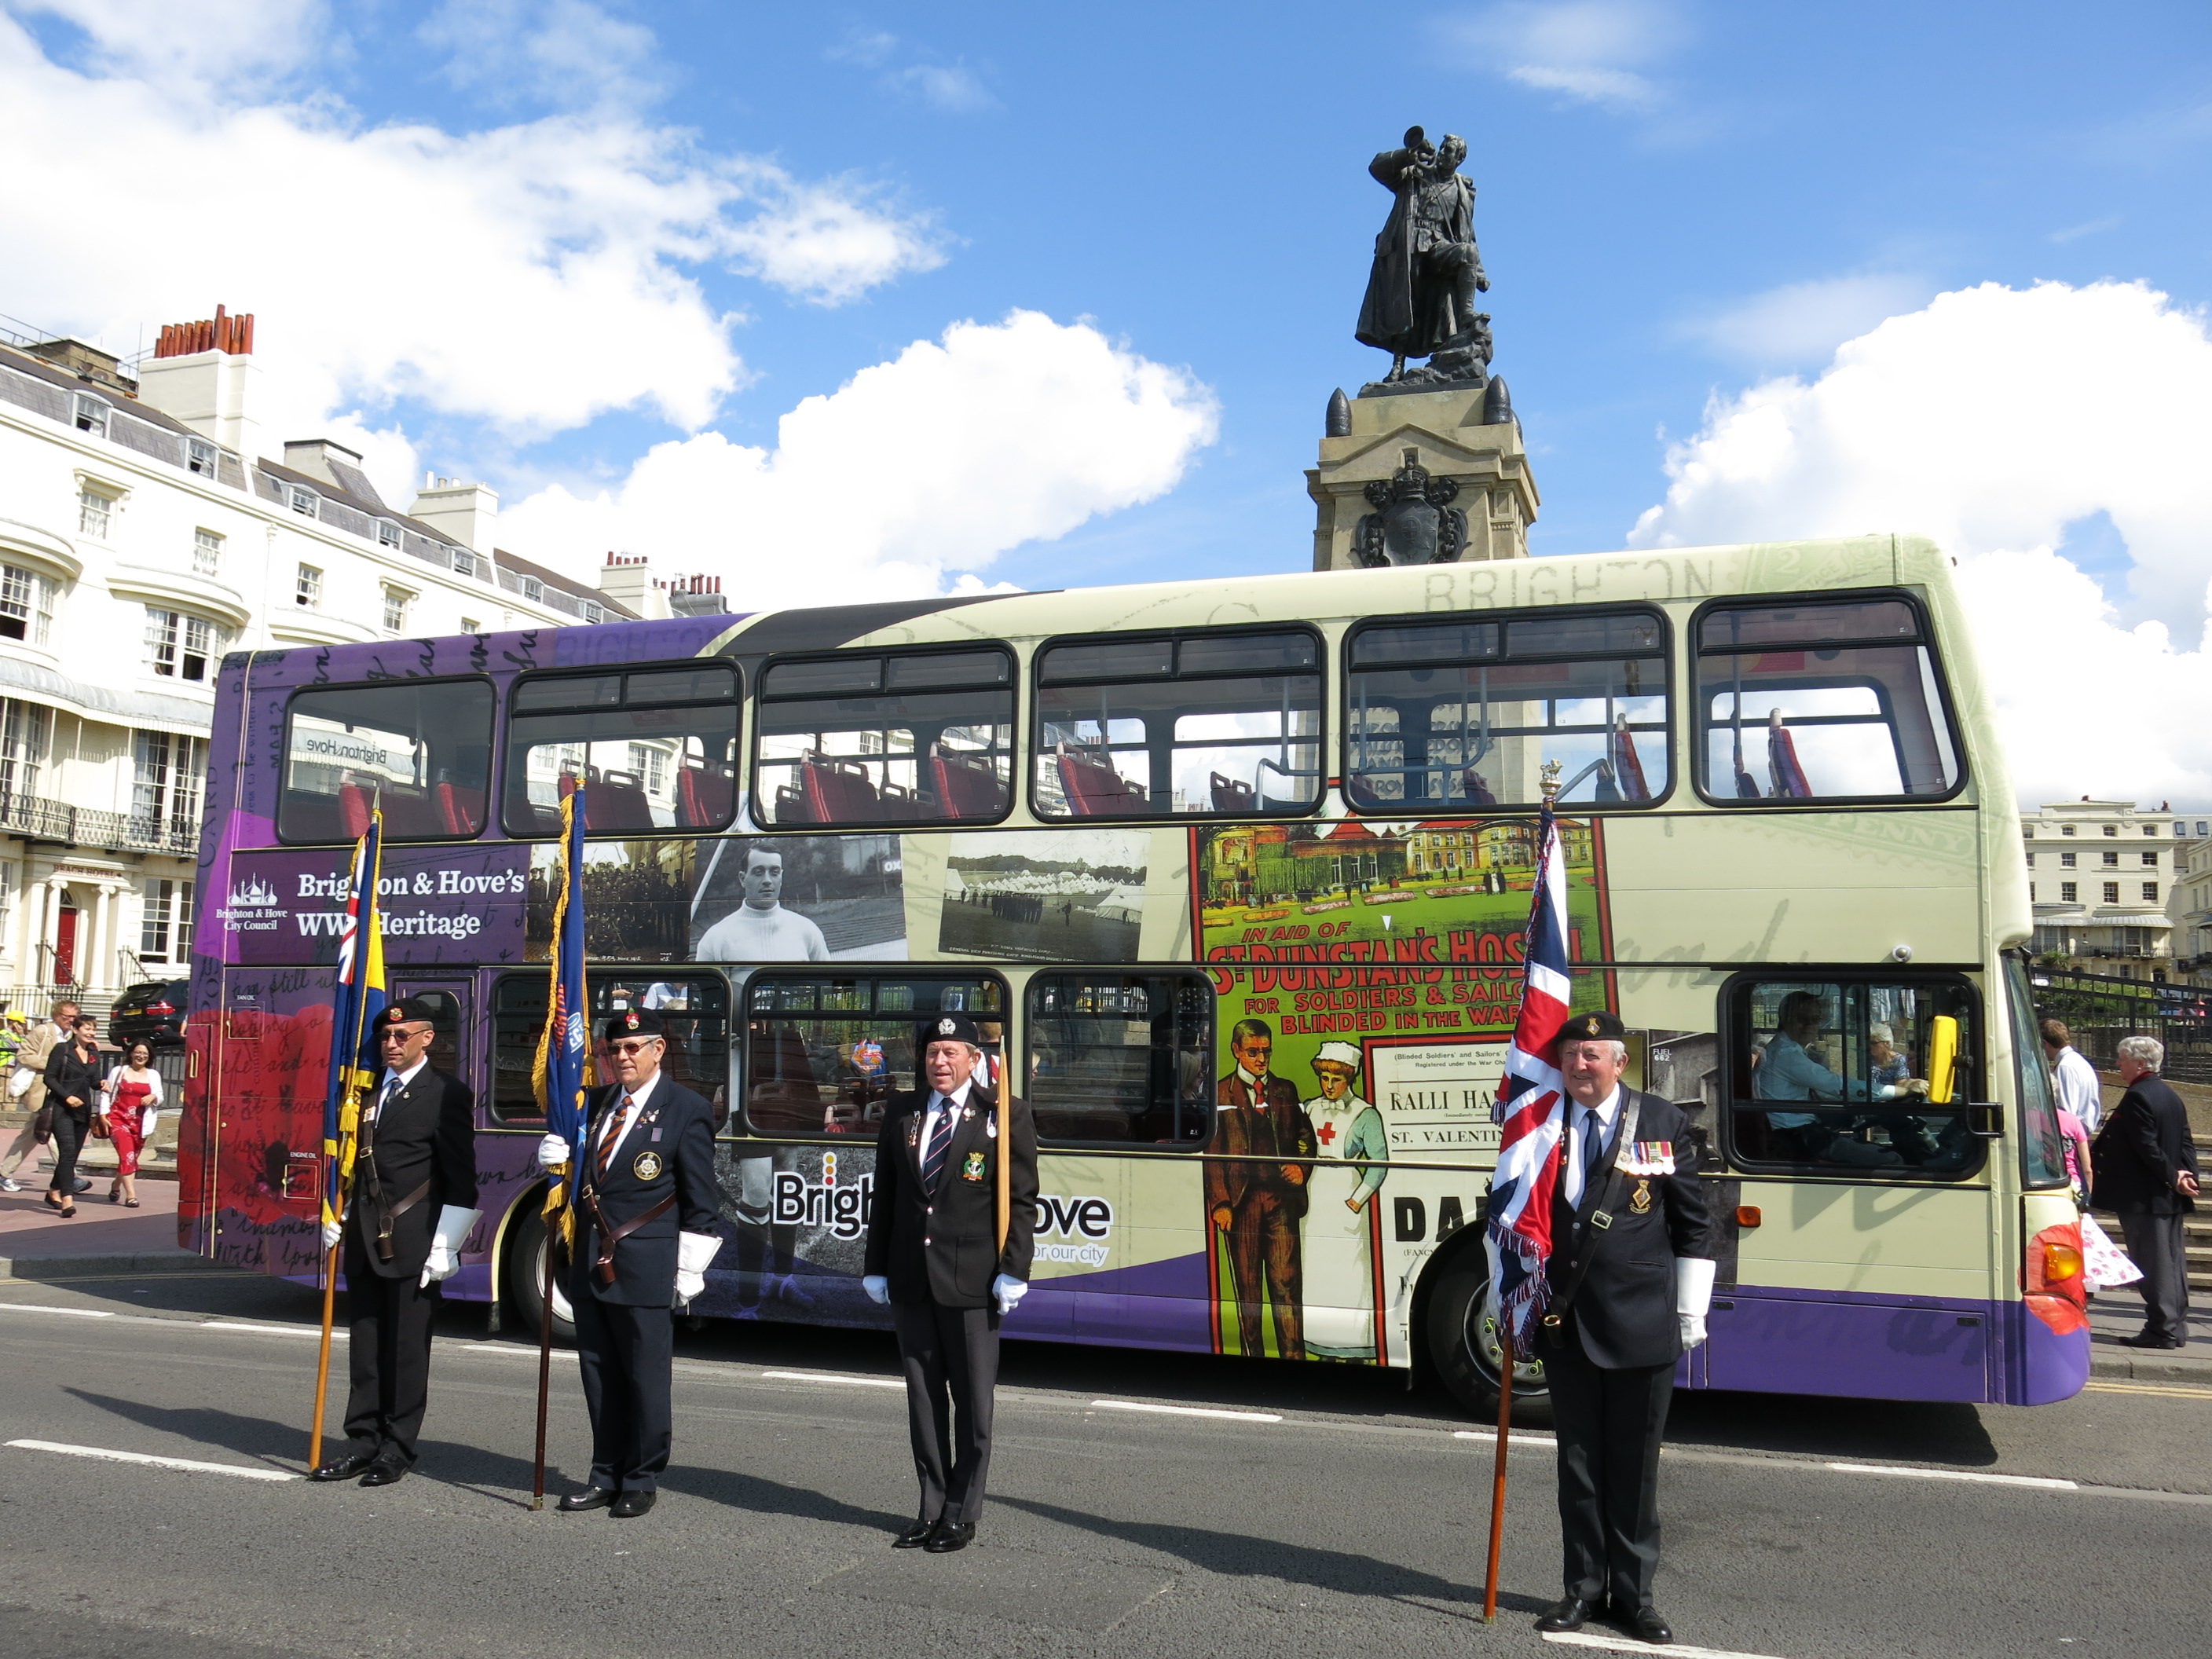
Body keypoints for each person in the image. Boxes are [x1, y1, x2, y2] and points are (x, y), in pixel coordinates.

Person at [1533, 1010, 1716, 1646]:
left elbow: (1695, 1223)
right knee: (1578, 1468)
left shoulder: (1661, 1122)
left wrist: (1690, 1311)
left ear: (1619, 1062)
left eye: (1591, 1055)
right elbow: (1514, 1214)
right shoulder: (1538, 1123)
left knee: (1635, 1469)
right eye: (1570, 1055)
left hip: (1642, 1318)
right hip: (1567, 1319)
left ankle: (1635, 1599)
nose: (1578, 1065)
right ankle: (1582, 1590)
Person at [862, 1013, 1039, 1554]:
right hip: (912, 1281)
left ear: (972, 1059)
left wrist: (1014, 1269)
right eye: (932, 1052)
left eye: (951, 1052)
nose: (939, 1061)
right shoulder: (903, 1112)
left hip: (972, 1282)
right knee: (923, 1402)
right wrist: (875, 1265)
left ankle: (962, 1512)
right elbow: (888, 1197)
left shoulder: (1004, 1115)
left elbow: (1022, 1202)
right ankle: (931, 1507)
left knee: (972, 1404)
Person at [541, 1008, 720, 1518]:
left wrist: (689, 1270)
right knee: (598, 1373)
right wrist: (555, 1158)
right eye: (613, 1049)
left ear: (658, 1050)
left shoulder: (684, 1108)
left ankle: (640, 1478)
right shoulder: (594, 1104)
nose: (621, 1057)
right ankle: (604, 1474)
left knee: (645, 1377)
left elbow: (701, 1199)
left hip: (647, 1262)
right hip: (592, 1262)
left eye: (632, 1048)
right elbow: (579, 1175)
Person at [308, 999, 480, 1487]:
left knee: (406, 1350)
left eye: (402, 1036)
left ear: (427, 1038)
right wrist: (336, 1210)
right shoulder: (363, 1091)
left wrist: (447, 1244)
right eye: (386, 1035)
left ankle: (397, 1448)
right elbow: (353, 1164)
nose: (391, 1043)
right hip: (364, 1237)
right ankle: (361, 1442)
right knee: (364, 1348)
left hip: (414, 1240)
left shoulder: (446, 1094)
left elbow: (461, 1179)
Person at [1207, 1020, 1317, 1361]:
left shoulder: (1286, 1090)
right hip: (1241, 1205)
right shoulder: (1220, 1092)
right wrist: (1220, 1203)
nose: (1261, 1059)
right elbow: (1212, 1155)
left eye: (1266, 1052)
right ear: (1237, 1051)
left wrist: (1301, 1167)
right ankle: (1252, 1357)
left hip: (1281, 1201)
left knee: (1287, 1285)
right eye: (1253, 1052)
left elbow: (1305, 1137)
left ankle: (1293, 1357)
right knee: (1248, 1289)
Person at [2091, 1035, 2200, 1350]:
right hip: (2166, 1195)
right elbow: (2185, 1141)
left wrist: (2172, 1177)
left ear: (2139, 1063)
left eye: (2121, 1059)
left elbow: (2146, 1147)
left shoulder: (2139, 1095)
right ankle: (2175, 1327)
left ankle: (2161, 1329)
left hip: (2145, 1196)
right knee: (2172, 1264)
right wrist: (2186, 1176)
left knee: (2154, 1266)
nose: (2117, 1064)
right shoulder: (2169, 1094)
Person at [1356, 127, 1489, 380]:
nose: (1442, 154)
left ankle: (1466, 314)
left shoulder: (1462, 188)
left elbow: (1467, 232)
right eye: (1442, 148)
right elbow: (1377, 168)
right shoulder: (1414, 175)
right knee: (1406, 305)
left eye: (1448, 151)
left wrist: (1478, 271)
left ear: (1458, 159)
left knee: (1468, 253)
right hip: (1408, 245)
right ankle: (1398, 364)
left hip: (1438, 246)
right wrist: (1409, 154)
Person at [1298, 1042, 1390, 1361]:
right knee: (1315, 1271)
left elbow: (1379, 1162)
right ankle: (1319, 1343)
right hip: (1314, 1194)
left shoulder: (1365, 1114)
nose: (1329, 1086)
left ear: (1348, 1078)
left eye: (1335, 1080)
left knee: (1350, 1275)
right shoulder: (1309, 1108)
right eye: (1324, 1078)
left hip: (1345, 1196)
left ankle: (1353, 1347)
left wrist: (1357, 1199)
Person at [694, 844, 830, 961]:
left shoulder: (808, 931)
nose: (767, 880)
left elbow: (829, 986)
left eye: (774, 872)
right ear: (743, 879)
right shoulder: (716, 939)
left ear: (781, 877)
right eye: (758, 872)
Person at [0, 1000, 80, 1194]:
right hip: (41, 1091)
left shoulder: (72, 1036)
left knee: (33, 1134)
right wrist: (54, 1063)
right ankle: (71, 1176)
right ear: (56, 1015)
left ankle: (4, 1173)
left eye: (73, 1017)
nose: (70, 1020)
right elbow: (24, 1056)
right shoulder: (43, 1032)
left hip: (60, 1092)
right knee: (50, 1132)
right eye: (66, 1016)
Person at [41, 1015, 104, 1218]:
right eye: (87, 1028)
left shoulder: (94, 1053)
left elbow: (93, 1080)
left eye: (94, 1029)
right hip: (61, 1108)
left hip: (83, 1111)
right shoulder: (62, 1050)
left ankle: (53, 1190)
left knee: (72, 1156)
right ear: (76, 1030)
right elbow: (49, 1078)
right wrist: (67, 1096)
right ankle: (67, 1200)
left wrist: (102, 1084)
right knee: (67, 1150)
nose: (91, 1033)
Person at [97, 1039, 162, 1207]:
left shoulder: (153, 1075)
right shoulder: (119, 1071)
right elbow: (107, 1093)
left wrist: (153, 1097)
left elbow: (159, 1096)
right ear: (131, 1053)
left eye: (145, 1054)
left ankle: (116, 1185)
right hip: (118, 1119)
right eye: (138, 1052)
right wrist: (103, 1114)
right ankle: (131, 1195)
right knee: (128, 1156)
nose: (141, 1056)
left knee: (130, 1158)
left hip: (140, 1123)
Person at [2042, 1018, 2104, 1133]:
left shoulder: (2065, 1066)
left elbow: (2067, 1110)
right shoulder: (2077, 1060)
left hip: (2074, 1133)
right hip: (2082, 1128)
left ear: (2046, 1044)